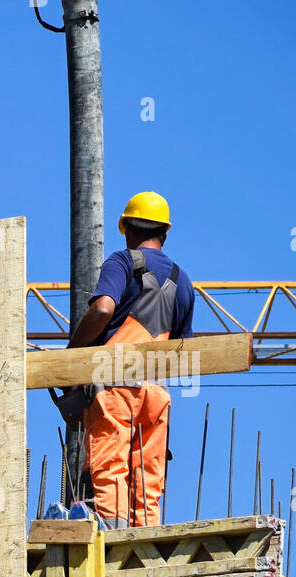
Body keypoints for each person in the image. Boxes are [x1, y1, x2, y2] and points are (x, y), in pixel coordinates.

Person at [59, 190, 195, 527]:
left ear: (128, 231)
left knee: (109, 470)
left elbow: (103, 308)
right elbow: (180, 353)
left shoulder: (123, 261)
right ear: (164, 233)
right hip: (156, 396)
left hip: (117, 388)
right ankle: (146, 548)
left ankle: (115, 549)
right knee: (147, 480)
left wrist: (72, 357)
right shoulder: (183, 281)